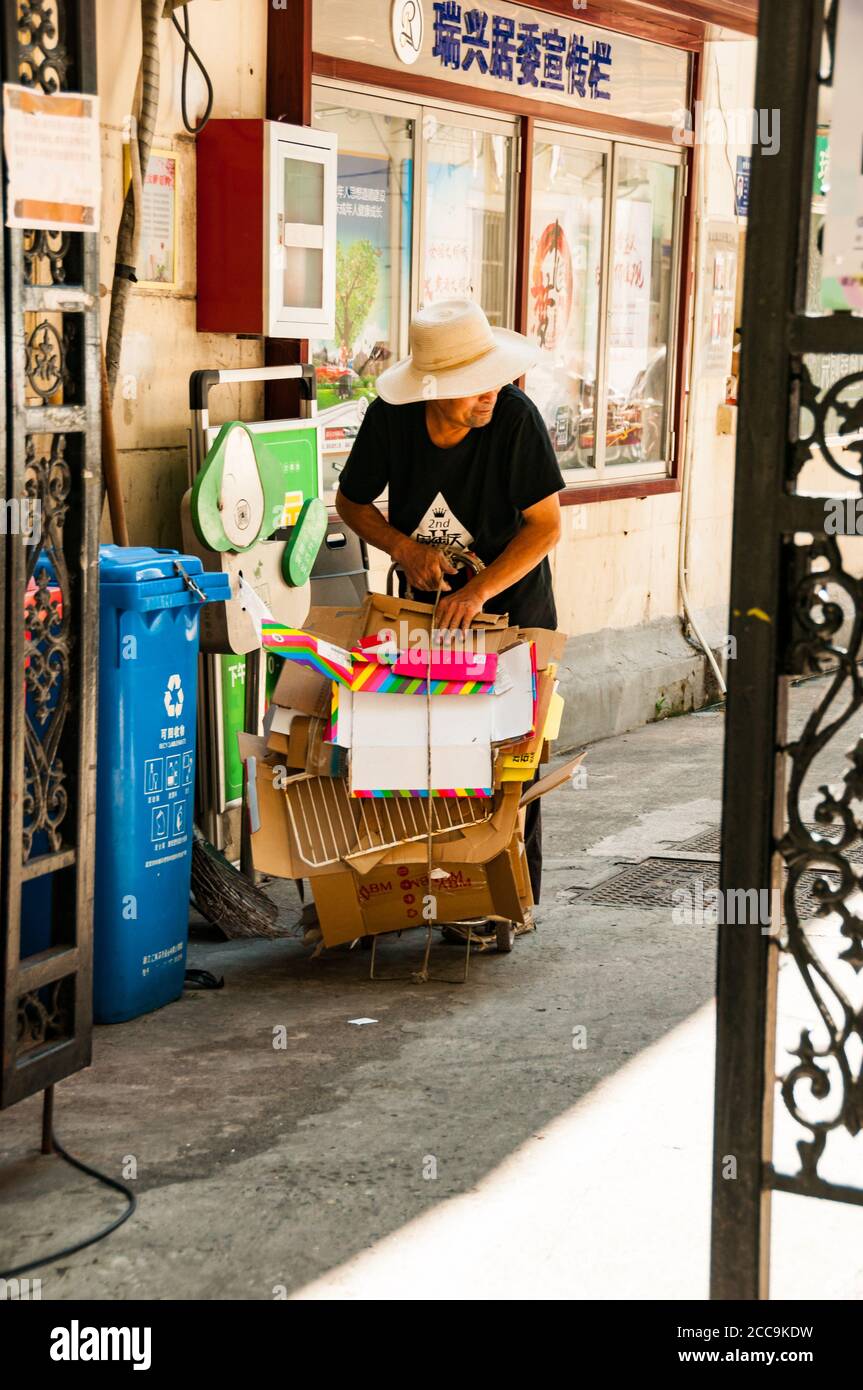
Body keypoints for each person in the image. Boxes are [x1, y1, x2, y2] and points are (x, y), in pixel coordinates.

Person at [335, 298, 565, 942]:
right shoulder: (392, 418)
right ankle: (416, 892)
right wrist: (404, 549)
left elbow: (546, 527)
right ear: (434, 390)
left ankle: (500, 904)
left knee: (508, 758)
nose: (490, 393)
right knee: (423, 753)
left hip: (514, 610)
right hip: (426, 615)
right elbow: (351, 502)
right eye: (473, 386)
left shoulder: (514, 419)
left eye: (493, 377)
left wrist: (482, 590)